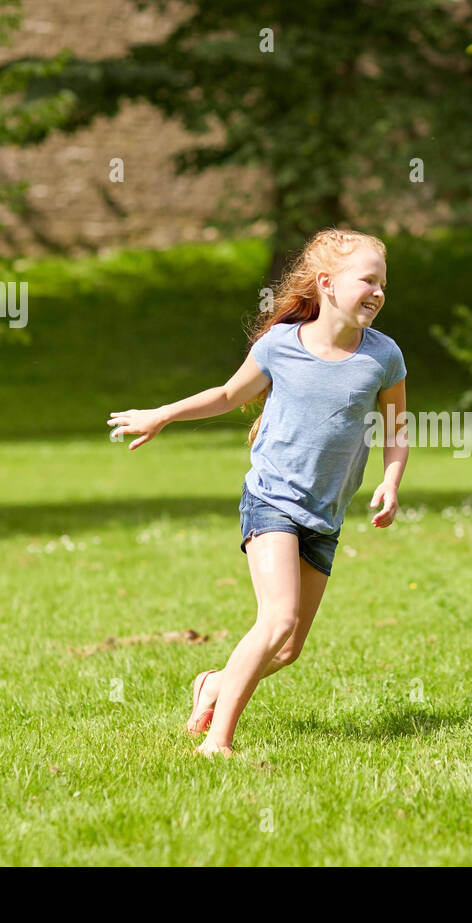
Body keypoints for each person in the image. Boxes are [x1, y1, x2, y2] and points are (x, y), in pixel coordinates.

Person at [107, 228, 408, 757]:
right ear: (327, 285)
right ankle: (217, 742)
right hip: (271, 498)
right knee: (278, 619)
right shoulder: (280, 347)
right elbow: (226, 395)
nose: (378, 292)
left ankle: (215, 683)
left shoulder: (383, 357)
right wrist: (164, 414)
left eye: (383, 283)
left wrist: (390, 480)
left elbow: (397, 429)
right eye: (367, 280)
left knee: (288, 649)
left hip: (325, 514)